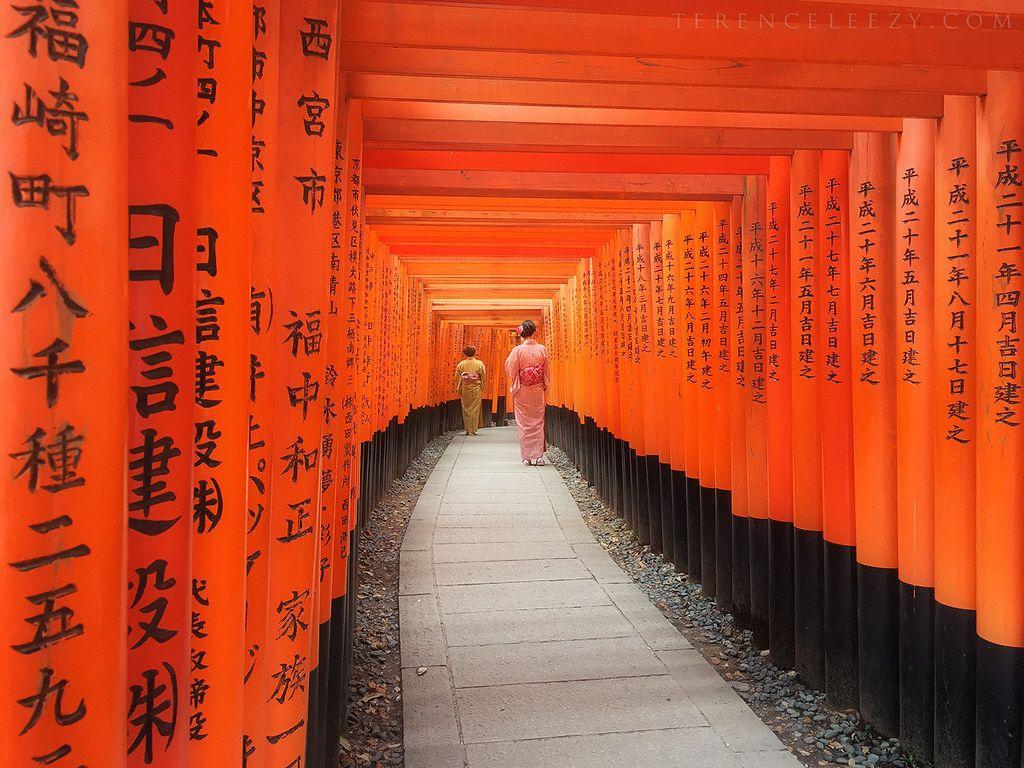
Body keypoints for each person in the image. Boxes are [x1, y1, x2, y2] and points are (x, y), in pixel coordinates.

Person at [504, 320, 550, 465]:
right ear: (533, 332)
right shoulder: (542, 349)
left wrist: (520, 376)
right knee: (537, 420)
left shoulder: (517, 350)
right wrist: (545, 385)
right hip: (537, 389)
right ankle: (538, 456)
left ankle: (526, 457)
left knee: (524, 422)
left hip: (522, 389)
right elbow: (546, 370)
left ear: (521, 334)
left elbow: (511, 369)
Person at [455, 345, 486, 435]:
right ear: (474, 352)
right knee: (475, 408)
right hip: (476, 387)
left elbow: (457, 377)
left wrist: (459, 387)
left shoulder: (461, 364)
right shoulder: (479, 363)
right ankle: (473, 429)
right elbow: (483, 375)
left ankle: (468, 429)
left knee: (466, 408)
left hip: (465, 388)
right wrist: (482, 386)